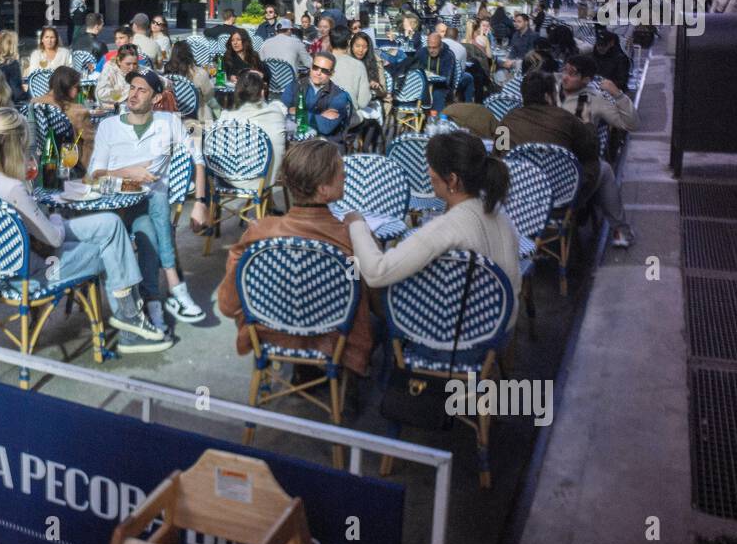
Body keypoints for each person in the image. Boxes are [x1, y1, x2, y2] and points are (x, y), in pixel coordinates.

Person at [0, 108, 166, 345]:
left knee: (111, 223)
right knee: (109, 248)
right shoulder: (12, 188)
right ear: (16, 146)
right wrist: (54, 216)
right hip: (38, 274)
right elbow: (53, 239)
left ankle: (130, 318)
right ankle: (130, 320)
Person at [216, 139, 376, 380]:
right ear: (323, 189)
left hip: (269, 333)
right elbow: (371, 301)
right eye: (340, 172)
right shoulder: (350, 239)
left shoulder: (258, 235)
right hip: (332, 339)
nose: (345, 176)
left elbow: (228, 304)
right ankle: (346, 388)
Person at [88, 69, 209, 328]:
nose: (134, 94)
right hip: (116, 205)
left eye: (142, 90)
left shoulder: (168, 122)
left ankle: (153, 302)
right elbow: (94, 175)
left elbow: (198, 161)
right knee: (155, 205)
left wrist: (200, 203)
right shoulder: (109, 126)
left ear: (155, 98)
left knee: (149, 226)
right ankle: (176, 290)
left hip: (151, 202)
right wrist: (127, 172)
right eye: (132, 87)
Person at [345, 131, 520, 306]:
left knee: (360, 282)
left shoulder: (448, 227)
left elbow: (377, 273)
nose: (429, 172)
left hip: (456, 325)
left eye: (432, 166)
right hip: (499, 323)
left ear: (452, 180)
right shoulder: (499, 213)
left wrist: (357, 222)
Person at [502, 71, 634, 247]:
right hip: (561, 199)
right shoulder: (566, 119)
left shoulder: (506, 121)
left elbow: (500, 157)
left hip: (519, 197)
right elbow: (590, 151)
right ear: (549, 96)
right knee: (604, 169)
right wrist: (587, 124)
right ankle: (622, 231)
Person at [216, 70, 287, 195]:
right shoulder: (275, 112)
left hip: (229, 179)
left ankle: (210, 207)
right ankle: (269, 206)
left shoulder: (226, 118)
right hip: (264, 181)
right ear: (262, 92)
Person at [557, 54, 639, 139]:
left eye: (572, 74)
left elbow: (631, 125)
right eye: (565, 71)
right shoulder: (551, 84)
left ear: (586, 80)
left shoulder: (596, 98)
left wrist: (618, 95)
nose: (565, 77)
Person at [281, 51, 353, 146]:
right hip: (295, 142)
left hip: (325, 146)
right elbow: (281, 115)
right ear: (311, 67)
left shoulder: (340, 95)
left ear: (332, 73)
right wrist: (319, 116)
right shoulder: (294, 86)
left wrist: (298, 112)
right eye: (315, 68)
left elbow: (326, 127)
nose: (318, 73)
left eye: (324, 71)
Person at [33, 65, 94, 173]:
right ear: (67, 86)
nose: (79, 92)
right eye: (77, 87)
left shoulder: (34, 104)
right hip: (69, 168)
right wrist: (82, 173)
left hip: (38, 167)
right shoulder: (78, 111)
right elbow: (90, 144)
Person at [165, 40, 219, 122]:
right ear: (190, 54)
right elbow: (209, 95)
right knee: (214, 107)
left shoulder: (166, 72)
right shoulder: (199, 73)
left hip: (172, 116)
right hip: (198, 118)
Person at [328, 24, 372, 123]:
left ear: (330, 42)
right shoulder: (358, 65)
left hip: (321, 115)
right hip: (347, 118)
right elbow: (363, 103)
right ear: (349, 42)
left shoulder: (321, 61)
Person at [96, 43, 140, 109]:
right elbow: (102, 93)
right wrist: (126, 94)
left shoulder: (140, 70)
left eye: (135, 64)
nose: (132, 68)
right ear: (119, 61)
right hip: (112, 110)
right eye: (128, 64)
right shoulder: (109, 69)